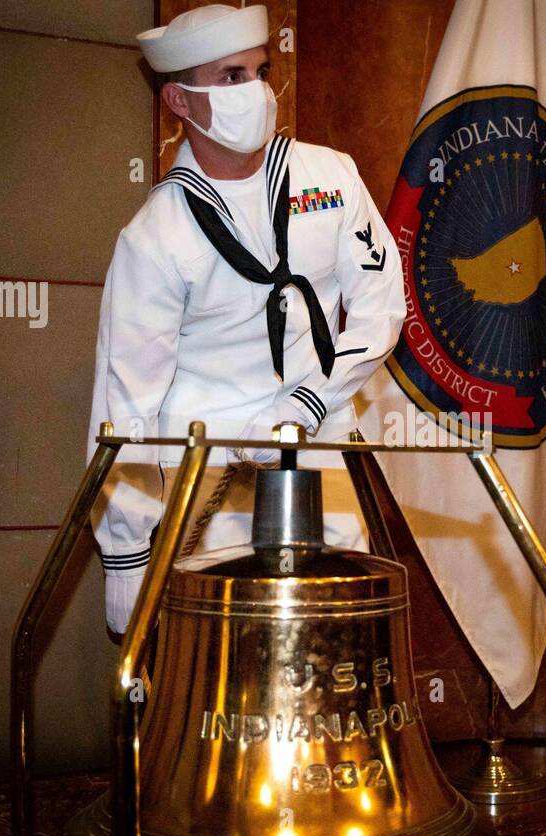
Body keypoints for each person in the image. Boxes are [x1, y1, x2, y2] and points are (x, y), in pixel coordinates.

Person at [87, 3, 405, 636]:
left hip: (320, 445)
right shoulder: (157, 235)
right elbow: (124, 401)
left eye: (260, 71)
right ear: (179, 101)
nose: (256, 91)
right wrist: (125, 555)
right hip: (204, 466)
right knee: (219, 664)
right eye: (231, 77)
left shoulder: (329, 177)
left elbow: (381, 304)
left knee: (332, 645)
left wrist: (313, 399)